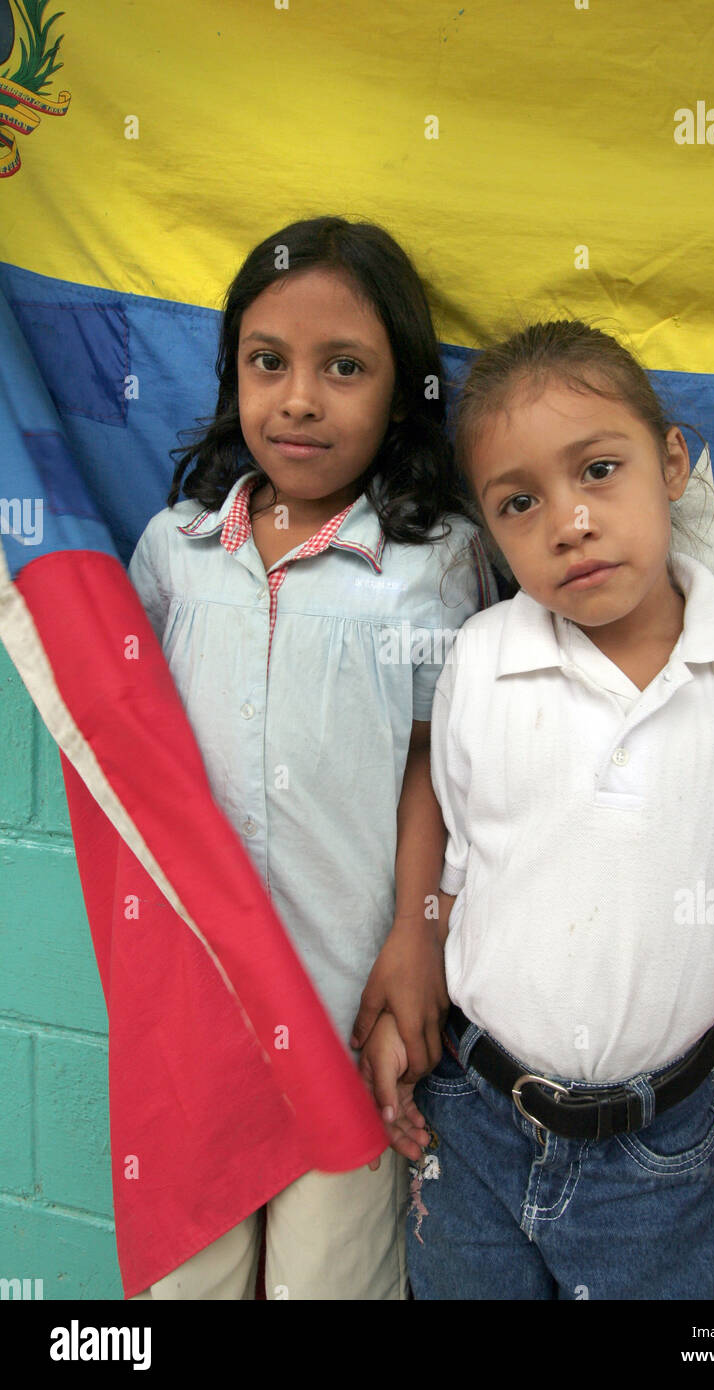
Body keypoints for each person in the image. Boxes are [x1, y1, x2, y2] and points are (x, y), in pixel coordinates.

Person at [361, 318, 714, 1299]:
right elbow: (455, 867)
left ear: (669, 461)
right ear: (490, 527)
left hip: (659, 1151)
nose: (569, 521)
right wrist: (408, 985)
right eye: (518, 501)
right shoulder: (480, 661)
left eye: (597, 470)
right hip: (472, 1118)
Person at [126, 215, 495, 1299]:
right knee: (185, 1279)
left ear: (403, 391)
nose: (298, 398)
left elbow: (443, 764)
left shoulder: (437, 564)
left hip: (349, 1015)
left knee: (331, 1283)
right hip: (195, 1029)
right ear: (233, 371)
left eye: (344, 368)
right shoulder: (173, 553)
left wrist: (414, 939)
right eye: (267, 362)